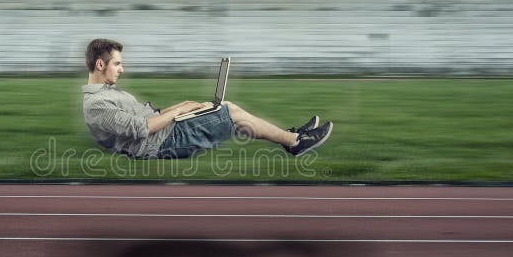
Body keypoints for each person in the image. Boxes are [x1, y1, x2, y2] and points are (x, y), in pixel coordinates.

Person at [81, 38, 333, 160]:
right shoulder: (97, 105)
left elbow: (149, 115)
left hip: (166, 131)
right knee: (230, 112)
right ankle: (294, 141)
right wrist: (177, 114)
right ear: (100, 64)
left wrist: (184, 106)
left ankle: (291, 137)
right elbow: (141, 128)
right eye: (117, 64)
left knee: (223, 107)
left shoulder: (110, 93)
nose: (122, 69)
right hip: (162, 144)